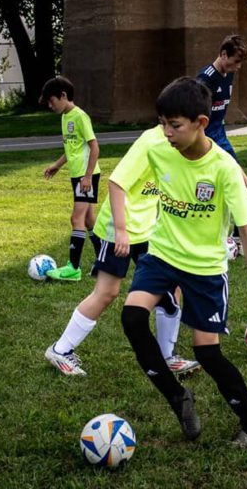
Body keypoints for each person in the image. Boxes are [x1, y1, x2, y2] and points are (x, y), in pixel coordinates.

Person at [119, 77, 247, 446]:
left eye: (174, 125)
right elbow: (119, 180)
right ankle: (178, 397)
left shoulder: (223, 169)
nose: (166, 132)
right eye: (162, 123)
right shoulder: (158, 149)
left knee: (207, 353)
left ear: (201, 123)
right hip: (162, 255)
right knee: (132, 318)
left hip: (205, 269)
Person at [44, 125, 199, 376]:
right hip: (118, 229)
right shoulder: (150, 142)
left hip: (148, 231)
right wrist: (121, 230)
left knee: (171, 288)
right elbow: (116, 183)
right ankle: (60, 350)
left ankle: (167, 356)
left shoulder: (182, 142)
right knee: (107, 292)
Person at [196, 34, 247, 254]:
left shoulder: (228, 74)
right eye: (236, 61)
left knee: (245, 185)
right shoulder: (205, 79)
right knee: (207, 194)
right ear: (223, 54)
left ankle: (237, 239)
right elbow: (194, 117)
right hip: (206, 143)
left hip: (221, 139)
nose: (238, 67)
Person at [40, 76, 101, 282]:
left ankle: (74, 268)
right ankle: (104, 262)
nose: (50, 106)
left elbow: (95, 147)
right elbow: (71, 148)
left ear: (63, 95)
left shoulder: (80, 116)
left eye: (51, 101)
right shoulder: (65, 117)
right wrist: (57, 165)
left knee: (76, 219)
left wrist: (87, 177)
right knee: (89, 220)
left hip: (86, 176)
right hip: (78, 175)